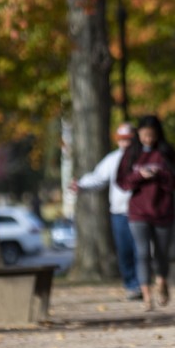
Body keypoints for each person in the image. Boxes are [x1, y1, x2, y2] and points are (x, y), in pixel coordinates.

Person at [116, 115, 175, 311]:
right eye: (145, 135)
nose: (148, 139)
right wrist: (139, 175)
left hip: (163, 210)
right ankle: (147, 296)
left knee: (161, 253)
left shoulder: (166, 153)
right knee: (143, 253)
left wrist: (160, 174)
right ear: (138, 134)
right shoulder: (131, 153)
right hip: (138, 212)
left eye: (152, 135)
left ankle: (162, 281)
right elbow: (121, 181)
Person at [70, 122, 141, 301]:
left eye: (129, 139)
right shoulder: (113, 159)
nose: (125, 143)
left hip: (141, 213)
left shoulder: (143, 158)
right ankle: (132, 285)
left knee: (141, 251)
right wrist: (81, 185)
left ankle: (144, 283)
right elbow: (98, 177)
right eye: (121, 139)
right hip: (119, 213)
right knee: (125, 251)